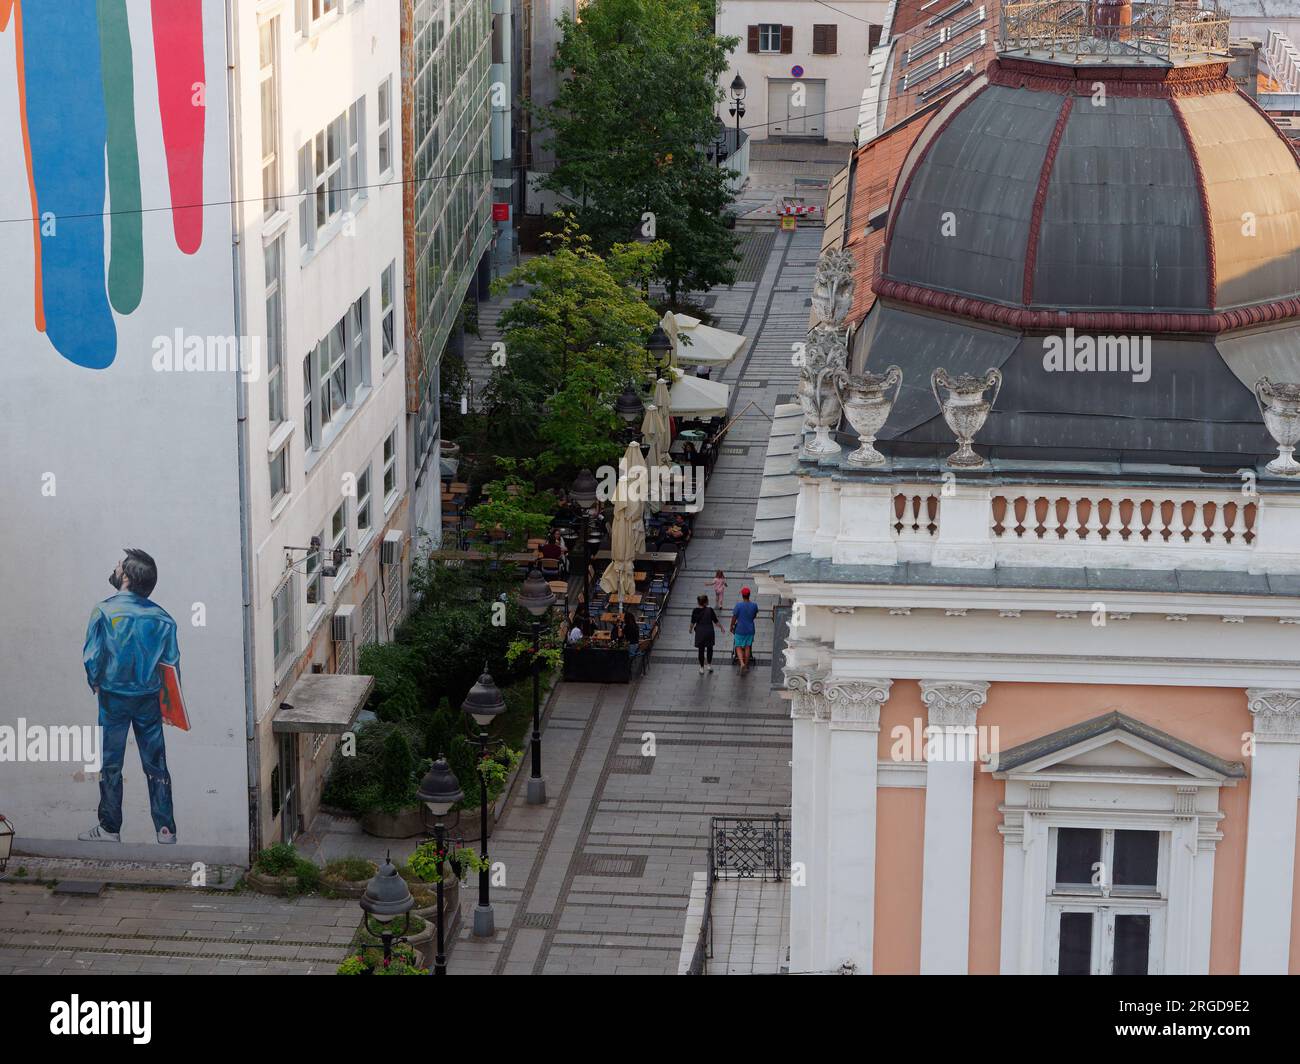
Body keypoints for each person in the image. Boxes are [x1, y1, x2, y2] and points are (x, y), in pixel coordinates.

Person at [80, 548, 183, 845]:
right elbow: (171, 666)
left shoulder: (103, 611)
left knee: (111, 763)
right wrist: (168, 705)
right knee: (156, 763)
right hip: (149, 698)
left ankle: (110, 828)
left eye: (119, 566)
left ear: (125, 577)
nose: (114, 568)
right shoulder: (164, 619)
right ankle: (165, 829)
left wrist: (96, 682)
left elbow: (92, 657)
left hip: (113, 697)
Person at [690, 594, 724, 674]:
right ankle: (709, 665)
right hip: (709, 632)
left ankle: (701, 668)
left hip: (700, 632)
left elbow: (692, 622)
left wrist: (690, 629)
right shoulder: (710, 610)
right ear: (705, 602)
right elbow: (715, 621)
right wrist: (721, 627)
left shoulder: (695, 610)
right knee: (710, 649)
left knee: (701, 650)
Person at [730, 586, 760, 674]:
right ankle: (746, 665)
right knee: (747, 647)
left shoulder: (738, 606)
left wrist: (731, 626)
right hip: (750, 629)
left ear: (742, 595)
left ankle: (742, 663)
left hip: (740, 629)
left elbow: (734, 617)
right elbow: (754, 615)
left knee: (738, 646)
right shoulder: (754, 605)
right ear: (749, 595)